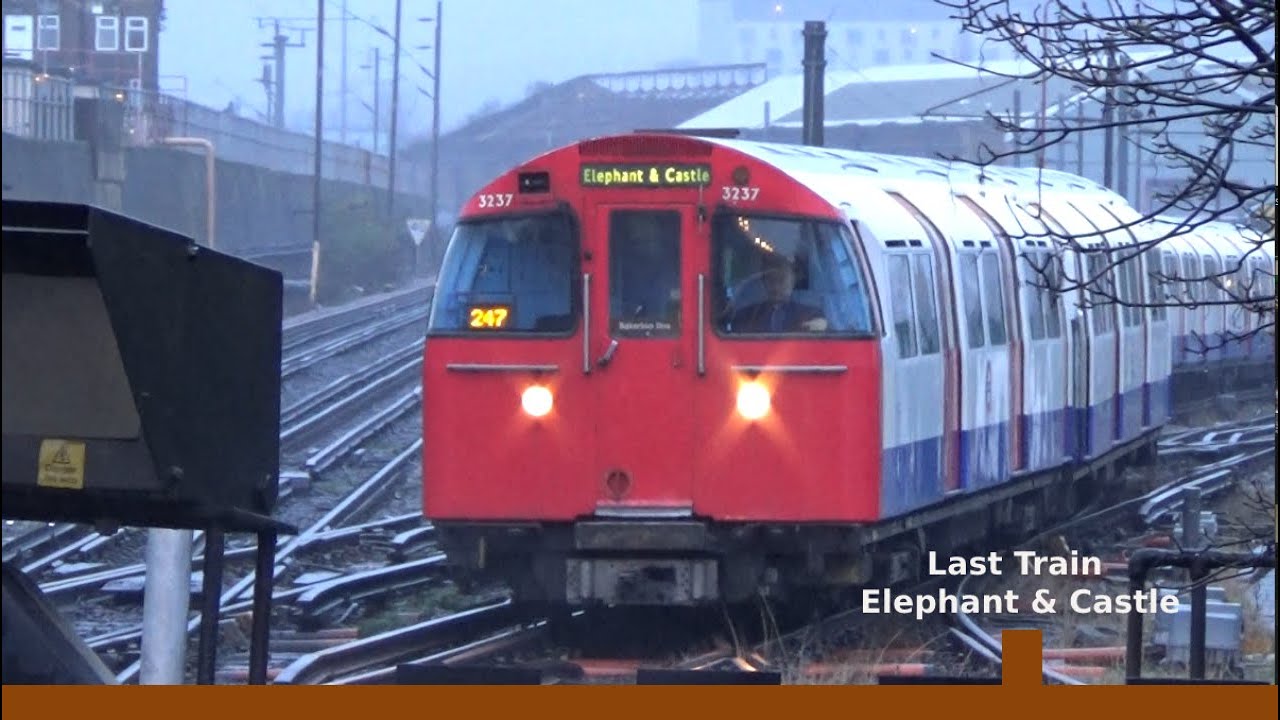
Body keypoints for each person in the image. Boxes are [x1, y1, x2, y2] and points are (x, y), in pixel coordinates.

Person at [726, 252, 828, 333]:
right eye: (770, 279)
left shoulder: (812, 315)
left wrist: (821, 325)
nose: (776, 286)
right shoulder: (745, 316)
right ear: (763, 282)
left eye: (781, 279)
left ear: (793, 280)